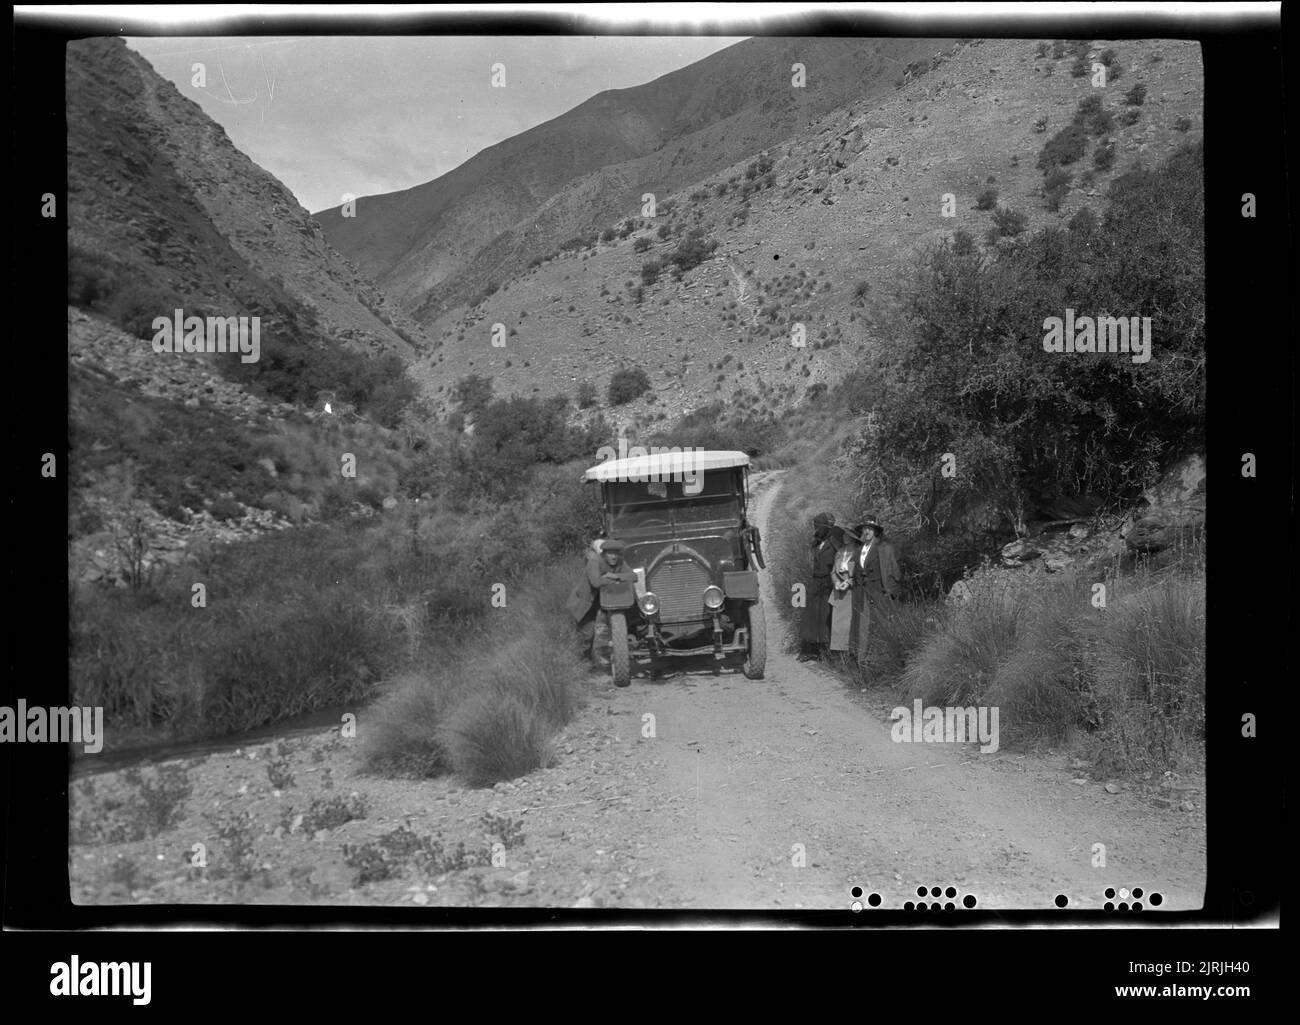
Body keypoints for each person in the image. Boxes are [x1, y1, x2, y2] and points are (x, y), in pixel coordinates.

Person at [565, 538, 634, 665]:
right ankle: (583, 663)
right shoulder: (594, 562)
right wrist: (614, 579)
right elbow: (596, 583)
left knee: (615, 628)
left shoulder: (620, 562)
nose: (613, 556)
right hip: (585, 602)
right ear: (603, 553)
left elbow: (633, 576)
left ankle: (614, 656)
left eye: (616, 553)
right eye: (610, 553)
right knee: (587, 634)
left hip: (608, 599)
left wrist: (615, 576)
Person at [848, 514, 902, 670]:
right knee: (859, 624)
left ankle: (875, 661)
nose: (867, 532)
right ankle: (859, 659)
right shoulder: (858, 549)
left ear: (876, 531)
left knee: (875, 624)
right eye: (865, 528)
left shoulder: (883, 548)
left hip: (877, 591)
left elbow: (892, 569)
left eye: (870, 529)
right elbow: (854, 568)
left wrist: (890, 589)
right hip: (860, 592)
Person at [797, 511, 839, 661]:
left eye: (819, 526)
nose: (816, 529)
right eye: (816, 526)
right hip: (816, 581)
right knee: (812, 615)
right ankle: (809, 649)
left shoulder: (835, 543)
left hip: (829, 583)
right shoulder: (816, 543)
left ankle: (826, 650)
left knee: (826, 616)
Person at [827, 524, 857, 656]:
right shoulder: (840, 552)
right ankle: (838, 655)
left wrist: (849, 582)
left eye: (847, 535)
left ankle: (849, 654)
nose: (844, 537)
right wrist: (836, 583)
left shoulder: (857, 552)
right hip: (838, 593)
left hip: (851, 594)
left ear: (852, 537)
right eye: (844, 535)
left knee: (848, 625)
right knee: (837, 624)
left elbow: (860, 574)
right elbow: (833, 571)